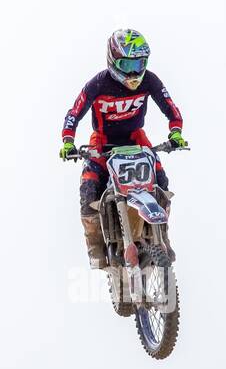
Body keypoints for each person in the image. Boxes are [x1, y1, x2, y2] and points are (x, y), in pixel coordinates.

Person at [59, 29, 187, 267]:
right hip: (102, 143)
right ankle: (96, 248)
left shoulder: (150, 80)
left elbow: (171, 108)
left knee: (162, 181)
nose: (134, 72)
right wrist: (68, 141)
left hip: (136, 140)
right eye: (126, 65)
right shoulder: (98, 84)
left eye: (139, 63)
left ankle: (163, 237)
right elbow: (74, 112)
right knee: (88, 188)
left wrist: (175, 132)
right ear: (112, 61)